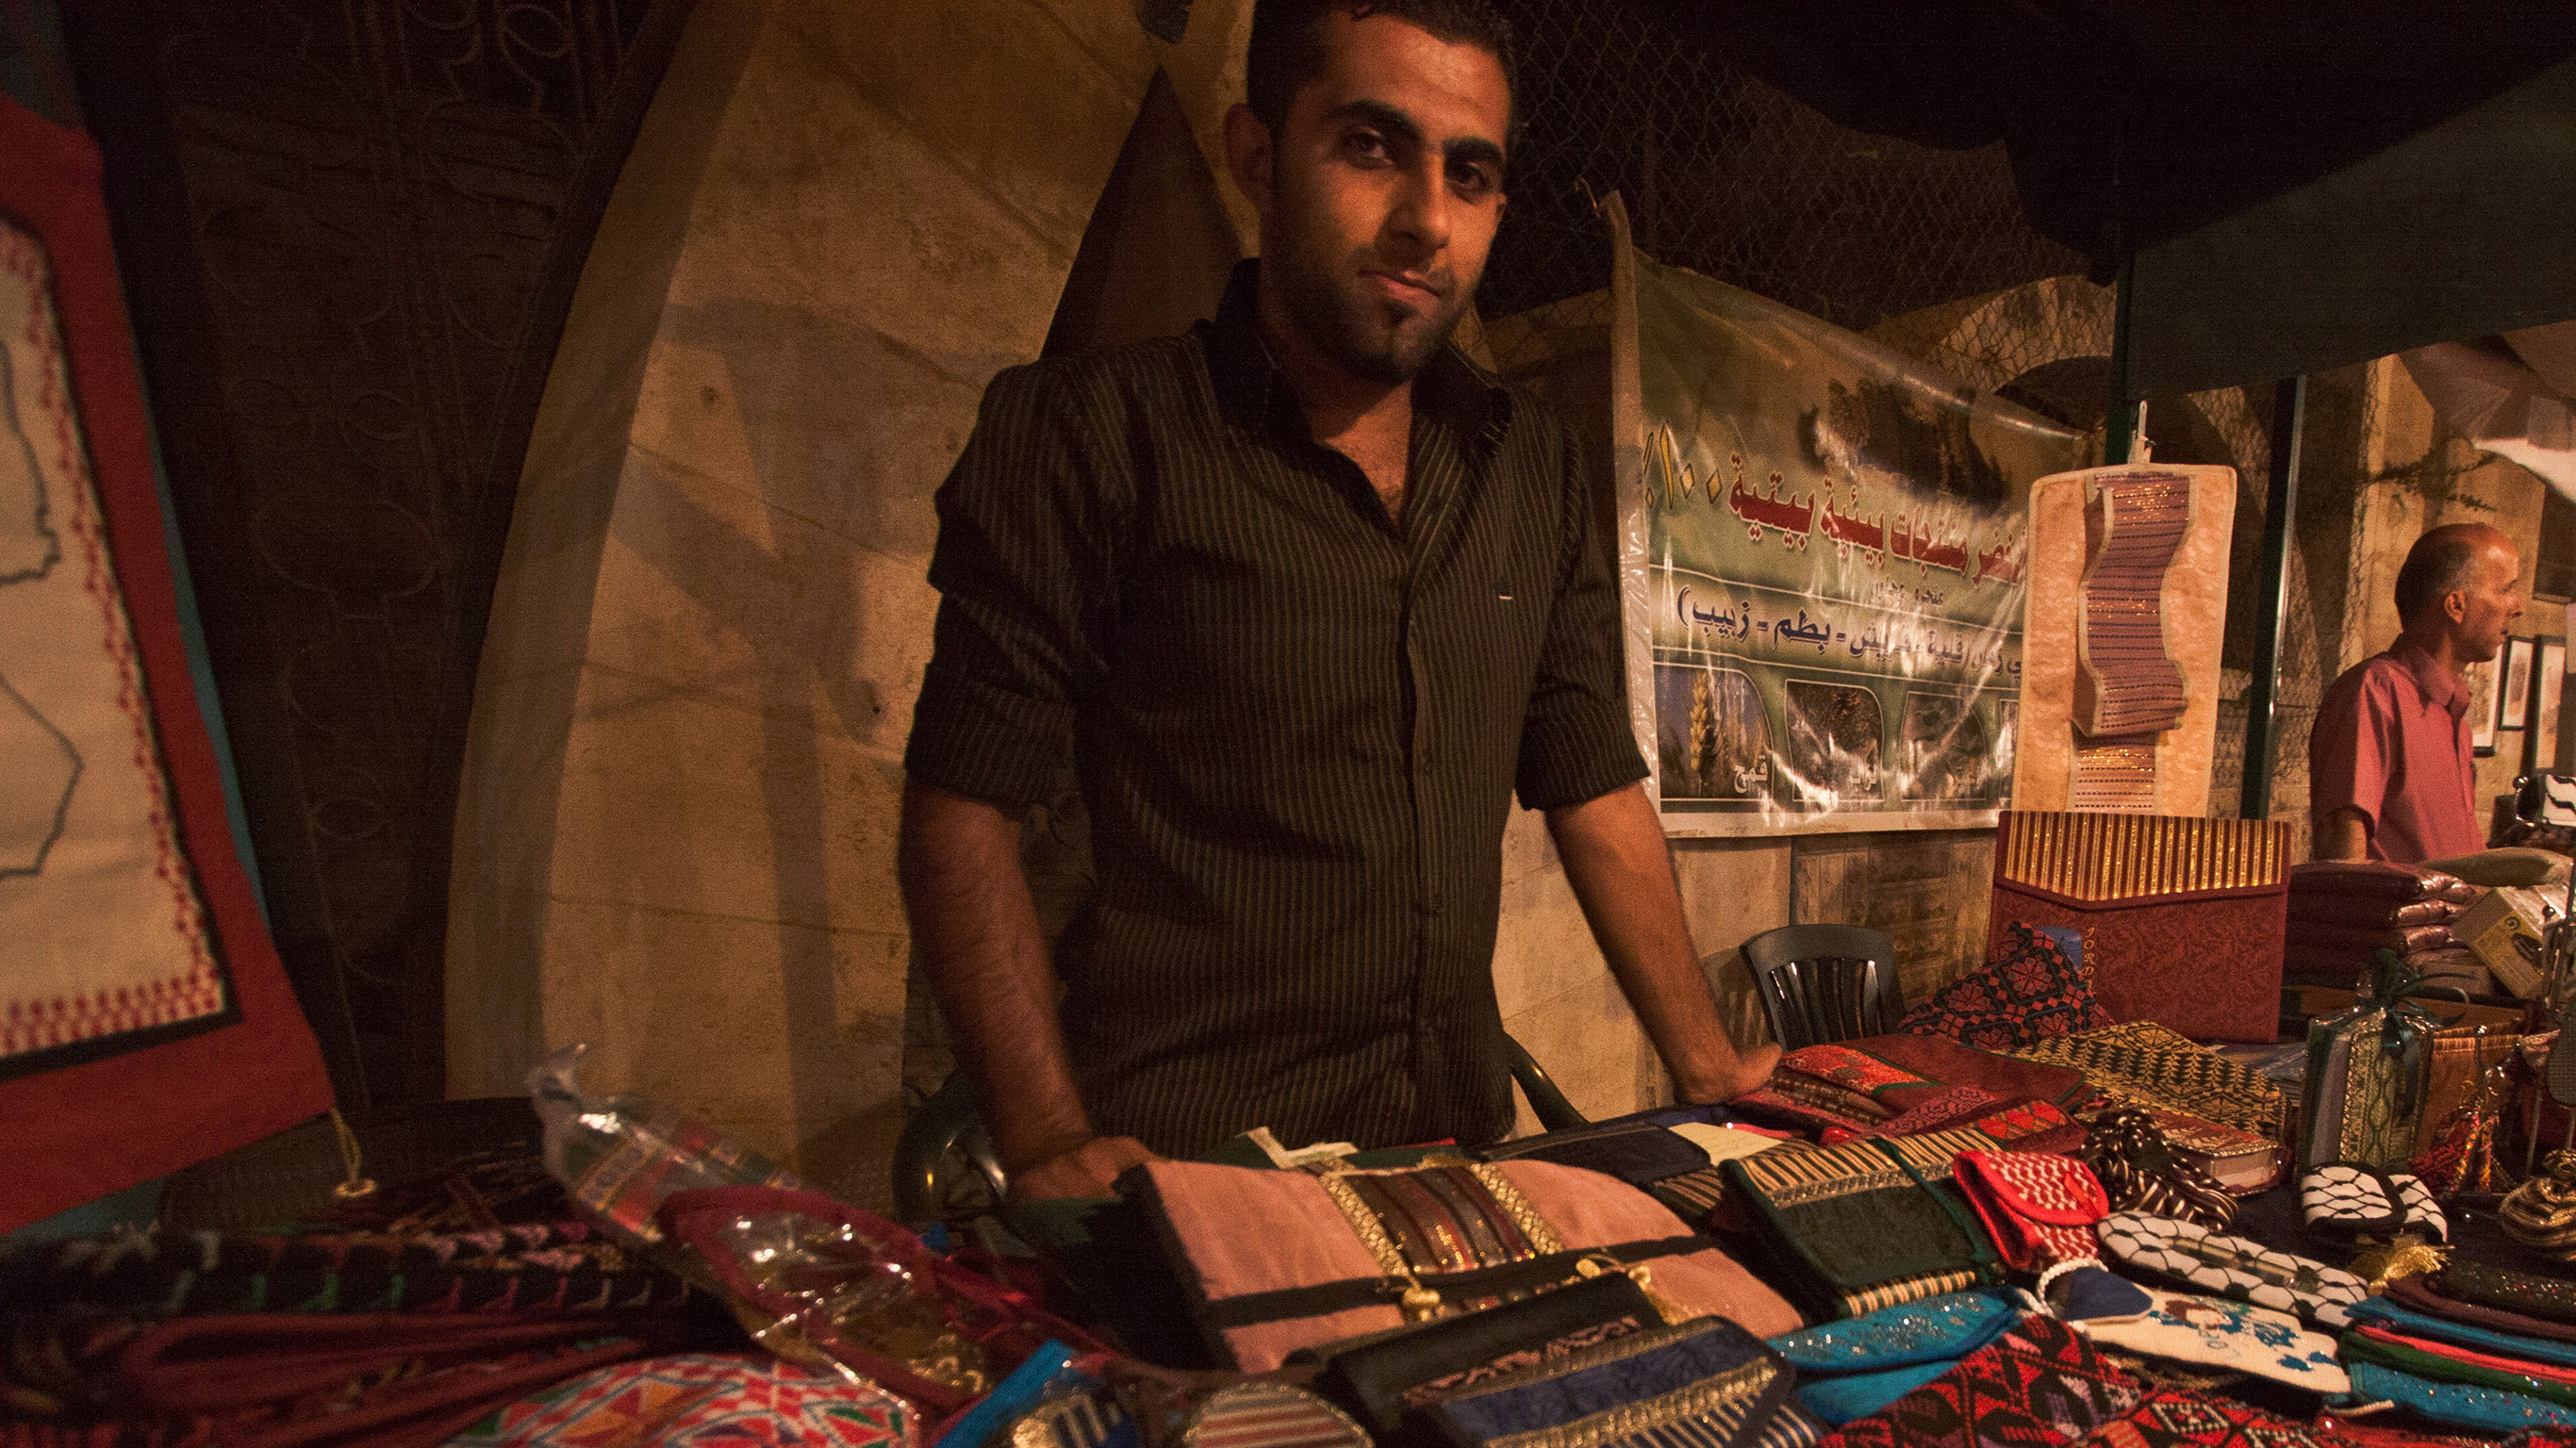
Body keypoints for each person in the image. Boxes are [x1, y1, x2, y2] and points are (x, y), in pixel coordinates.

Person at [897, 0, 1777, 1201]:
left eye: (1469, 174)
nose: (1425, 220)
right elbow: (963, 806)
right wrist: (1049, 1140)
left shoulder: (1528, 466)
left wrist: (1706, 1063)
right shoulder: (1092, 434)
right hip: (1192, 1175)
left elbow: (1590, 779)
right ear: (1257, 155)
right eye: (1370, 146)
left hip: (1455, 1165)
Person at [2309, 522, 2525, 864]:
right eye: (2505, 589)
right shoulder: (2375, 692)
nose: (2517, 607)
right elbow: (2342, 846)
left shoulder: (2454, 716)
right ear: (2456, 605)